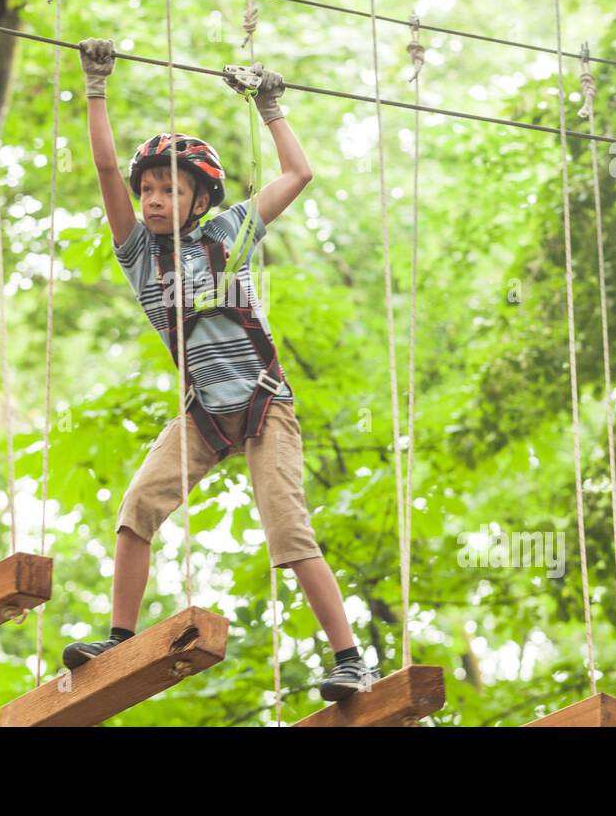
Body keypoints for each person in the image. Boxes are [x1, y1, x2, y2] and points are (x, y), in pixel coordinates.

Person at [61, 38, 378, 702]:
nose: (151, 200)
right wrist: (96, 89)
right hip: (204, 412)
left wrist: (271, 108)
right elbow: (105, 169)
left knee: (288, 532)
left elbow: (297, 175)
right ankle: (119, 637)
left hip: (264, 408)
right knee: (136, 509)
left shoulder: (231, 231)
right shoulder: (139, 256)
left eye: (168, 190)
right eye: (147, 190)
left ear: (199, 198)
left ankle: (351, 657)